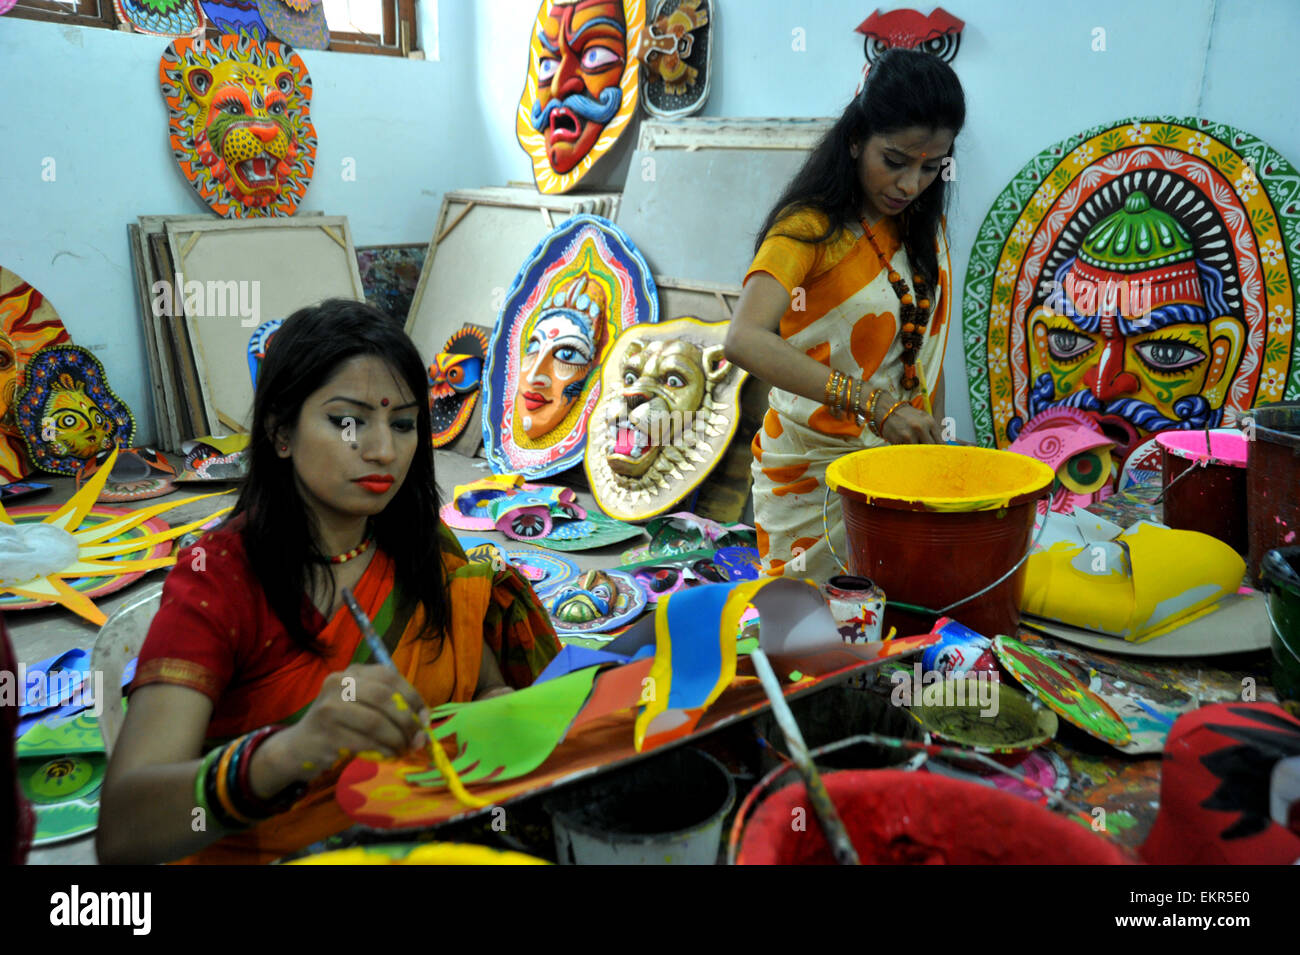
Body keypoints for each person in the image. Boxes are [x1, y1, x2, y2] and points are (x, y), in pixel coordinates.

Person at [97, 300, 561, 865]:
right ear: (280, 431)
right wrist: (287, 752)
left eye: (402, 423)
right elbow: (125, 833)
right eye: (348, 421)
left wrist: (496, 722)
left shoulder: (423, 545)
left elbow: (485, 689)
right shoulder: (217, 582)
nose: (383, 451)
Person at [724, 49, 966, 582]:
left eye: (931, 167)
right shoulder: (808, 229)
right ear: (856, 139)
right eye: (896, 161)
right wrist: (875, 405)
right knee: (814, 635)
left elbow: (924, 352)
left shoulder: (923, 232)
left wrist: (930, 450)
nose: (910, 185)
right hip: (812, 475)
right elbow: (743, 338)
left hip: (897, 465)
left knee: (890, 624)